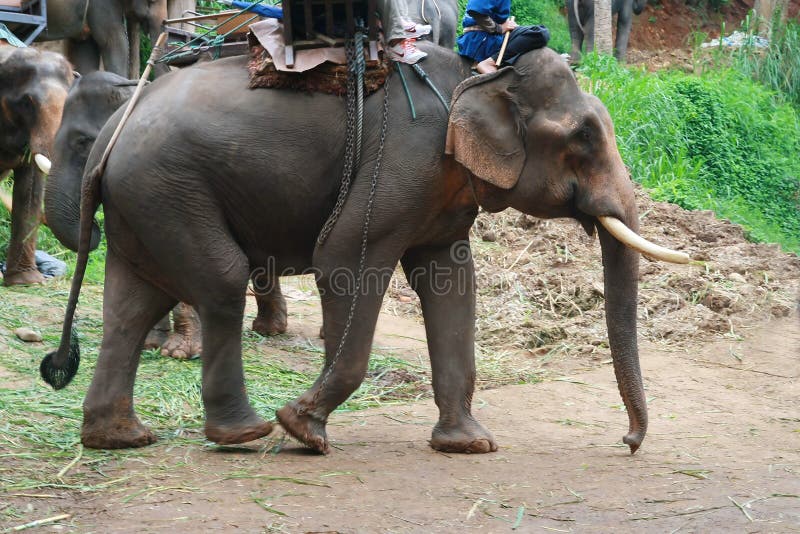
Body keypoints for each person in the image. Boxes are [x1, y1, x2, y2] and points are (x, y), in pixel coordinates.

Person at [457, 0, 550, 73]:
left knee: (540, 32)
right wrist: (499, 28)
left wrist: (509, 26)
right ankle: (489, 63)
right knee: (540, 33)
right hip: (481, 40)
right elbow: (476, 12)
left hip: (492, 36)